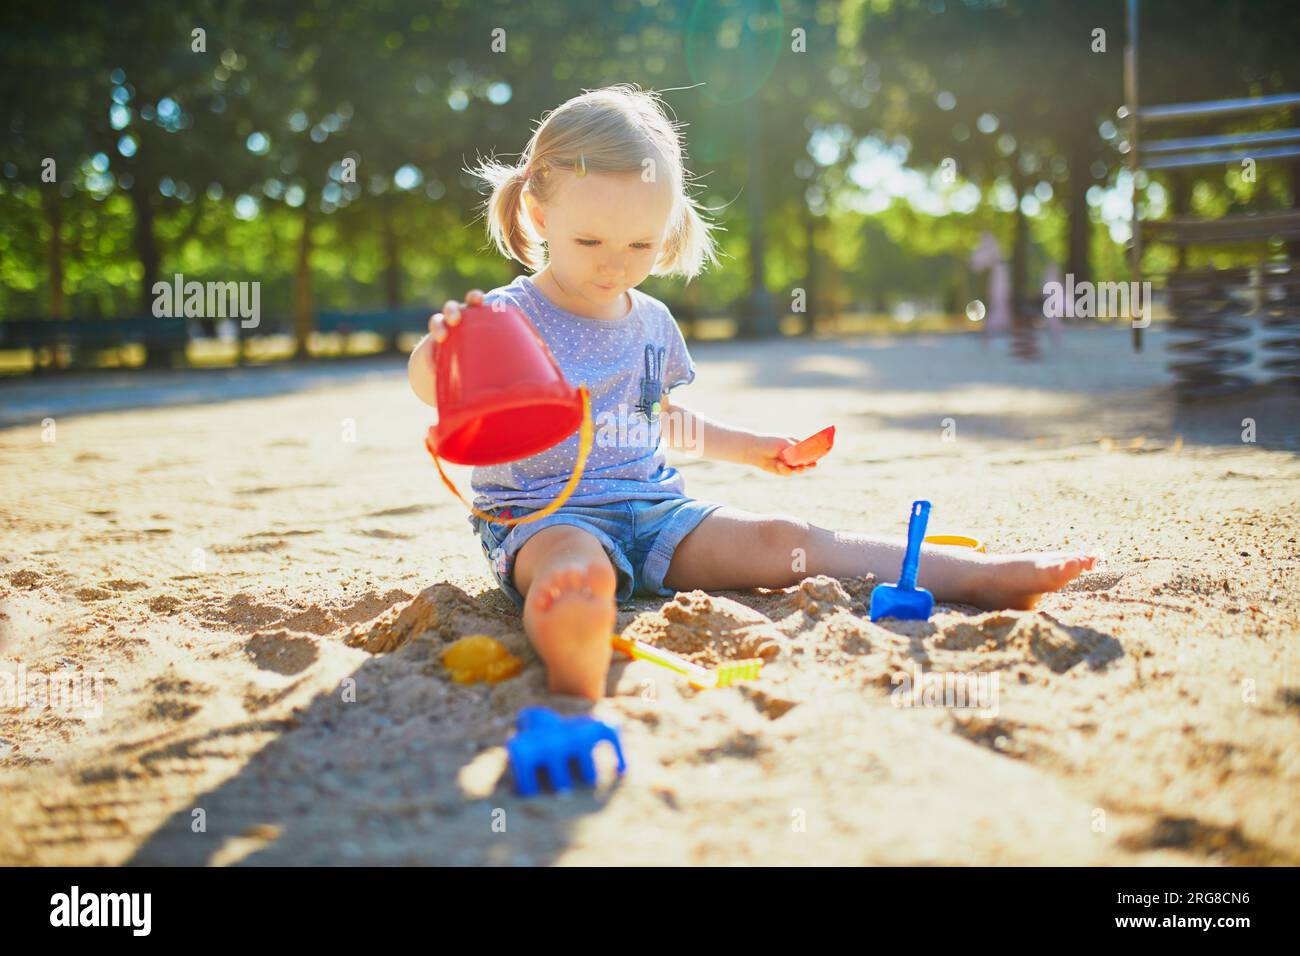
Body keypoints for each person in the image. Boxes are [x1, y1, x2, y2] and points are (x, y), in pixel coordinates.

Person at [409, 84, 1095, 700]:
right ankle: (576, 687)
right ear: (537, 211)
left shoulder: (650, 321)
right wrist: (440, 355)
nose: (616, 265)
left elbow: (662, 419)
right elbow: (432, 390)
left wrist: (754, 449)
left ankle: (978, 576)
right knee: (573, 576)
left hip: (653, 514)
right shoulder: (508, 314)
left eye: (642, 245)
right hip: (543, 519)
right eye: (590, 240)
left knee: (784, 538)